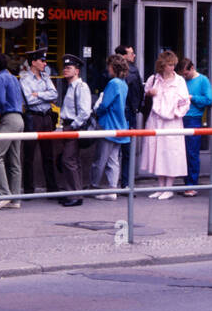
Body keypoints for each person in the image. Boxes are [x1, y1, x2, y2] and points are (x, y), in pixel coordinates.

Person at [140, 50, 190, 198]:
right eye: (169, 65)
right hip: (155, 120)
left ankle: (169, 188)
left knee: (171, 153)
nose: (172, 68)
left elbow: (186, 101)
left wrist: (177, 113)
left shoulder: (179, 80)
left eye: (173, 65)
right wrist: (150, 93)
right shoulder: (154, 79)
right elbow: (145, 93)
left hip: (172, 122)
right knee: (157, 153)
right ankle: (160, 187)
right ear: (162, 65)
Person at [0, 51, 25, 209]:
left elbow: (0, 100)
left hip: (7, 119)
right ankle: (15, 198)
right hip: (19, 119)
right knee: (15, 160)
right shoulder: (12, 77)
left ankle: (3, 195)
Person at [90, 54, 131, 199]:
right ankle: (112, 189)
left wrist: (96, 112)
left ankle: (93, 186)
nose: (107, 68)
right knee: (114, 159)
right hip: (120, 126)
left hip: (108, 125)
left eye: (109, 66)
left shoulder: (113, 83)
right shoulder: (123, 83)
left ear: (113, 67)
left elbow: (104, 104)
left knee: (100, 159)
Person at [20, 50, 59, 195]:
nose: (45, 63)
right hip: (33, 117)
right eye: (42, 61)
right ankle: (29, 189)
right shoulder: (25, 80)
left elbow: (55, 94)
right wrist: (46, 96)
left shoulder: (46, 77)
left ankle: (52, 188)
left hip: (46, 117)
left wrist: (39, 94)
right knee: (29, 155)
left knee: (48, 154)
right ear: (33, 62)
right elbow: (29, 101)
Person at [55, 54, 93, 206]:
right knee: (72, 160)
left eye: (69, 68)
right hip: (67, 126)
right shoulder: (70, 87)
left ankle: (76, 195)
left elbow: (85, 111)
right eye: (65, 68)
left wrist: (73, 126)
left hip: (73, 126)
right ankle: (73, 193)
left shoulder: (81, 87)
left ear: (77, 71)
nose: (65, 70)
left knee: (69, 160)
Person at [178, 57, 212, 196]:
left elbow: (209, 99)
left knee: (192, 152)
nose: (184, 77)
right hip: (181, 117)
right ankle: (187, 183)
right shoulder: (182, 81)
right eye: (183, 74)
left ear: (192, 68)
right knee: (183, 152)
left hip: (194, 118)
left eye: (186, 74)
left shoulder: (203, 80)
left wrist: (192, 98)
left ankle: (192, 184)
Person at [115, 45, 143, 187]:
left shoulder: (132, 70)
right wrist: (136, 108)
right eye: (131, 53)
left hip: (126, 113)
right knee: (124, 150)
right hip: (127, 113)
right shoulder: (131, 71)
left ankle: (119, 183)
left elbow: (139, 91)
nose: (134, 55)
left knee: (120, 150)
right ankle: (125, 183)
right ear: (124, 56)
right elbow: (138, 91)